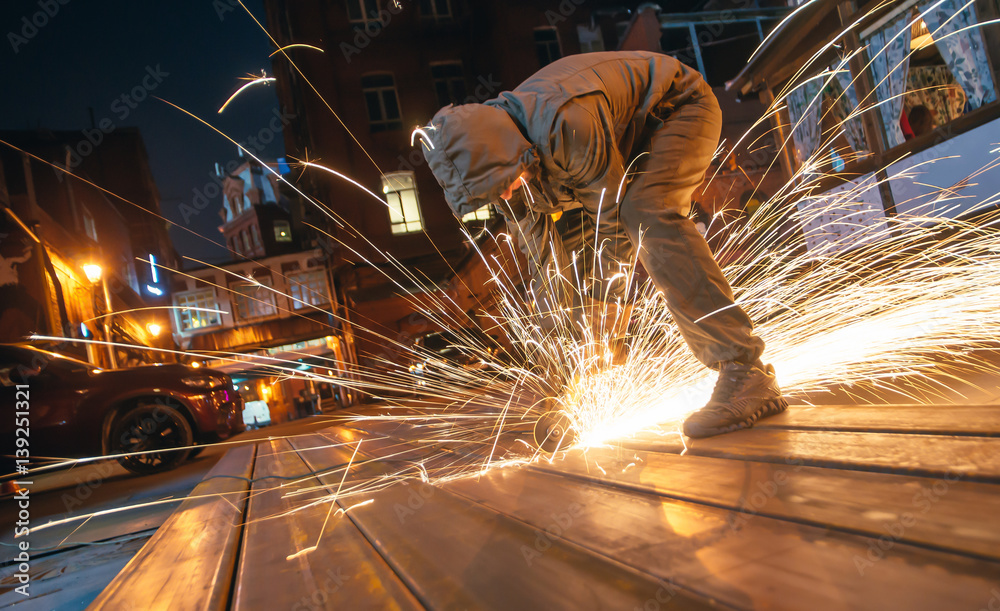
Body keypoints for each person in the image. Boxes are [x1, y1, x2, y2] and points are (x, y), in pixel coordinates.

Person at [419, 51, 787, 438]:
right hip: (606, 158)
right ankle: (573, 393)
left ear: (507, 152)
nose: (506, 194)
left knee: (644, 213)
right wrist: (561, 374)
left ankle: (743, 368)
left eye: (503, 183)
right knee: (574, 268)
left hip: (676, 111)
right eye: (494, 193)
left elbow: (612, 223)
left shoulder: (565, 123)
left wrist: (609, 312)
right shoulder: (505, 177)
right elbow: (546, 266)